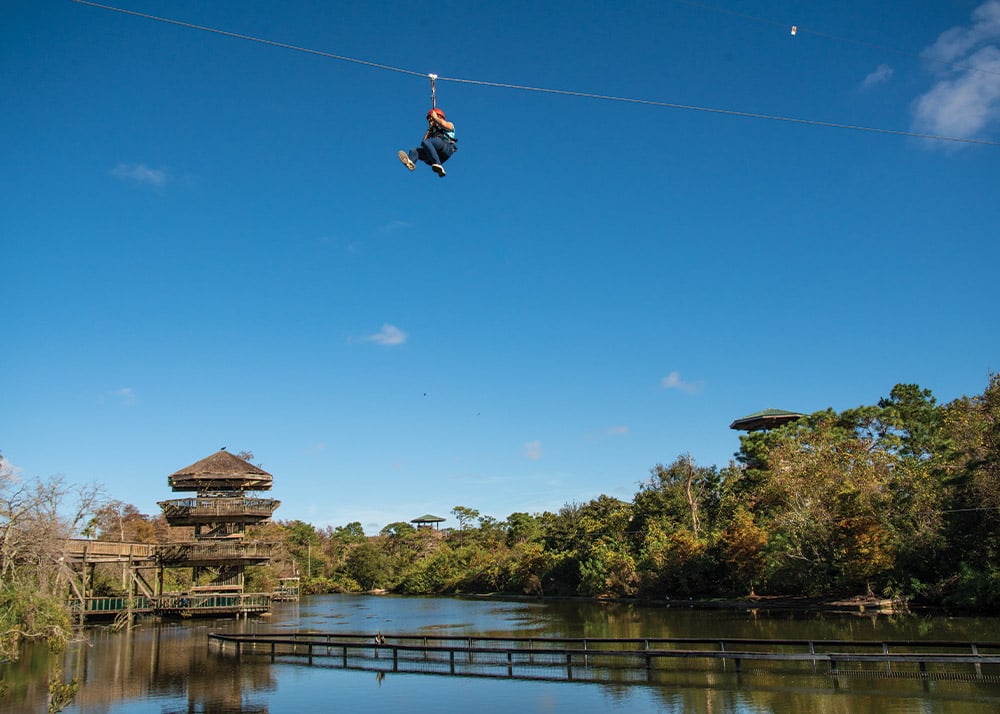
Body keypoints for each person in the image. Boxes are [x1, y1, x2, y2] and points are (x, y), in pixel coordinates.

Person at [398, 108, 457, 177]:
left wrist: (435, 118)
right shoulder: (432, 130)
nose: (429, 120)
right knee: (414, 150)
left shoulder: (449, 124)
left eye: (430, 118)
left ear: (440, 116)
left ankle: (438, 164)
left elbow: (443, 124)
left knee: (427, 142)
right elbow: (423, 143)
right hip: (435, 154)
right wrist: (430, 129)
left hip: (445, 147)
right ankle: (410, 162)